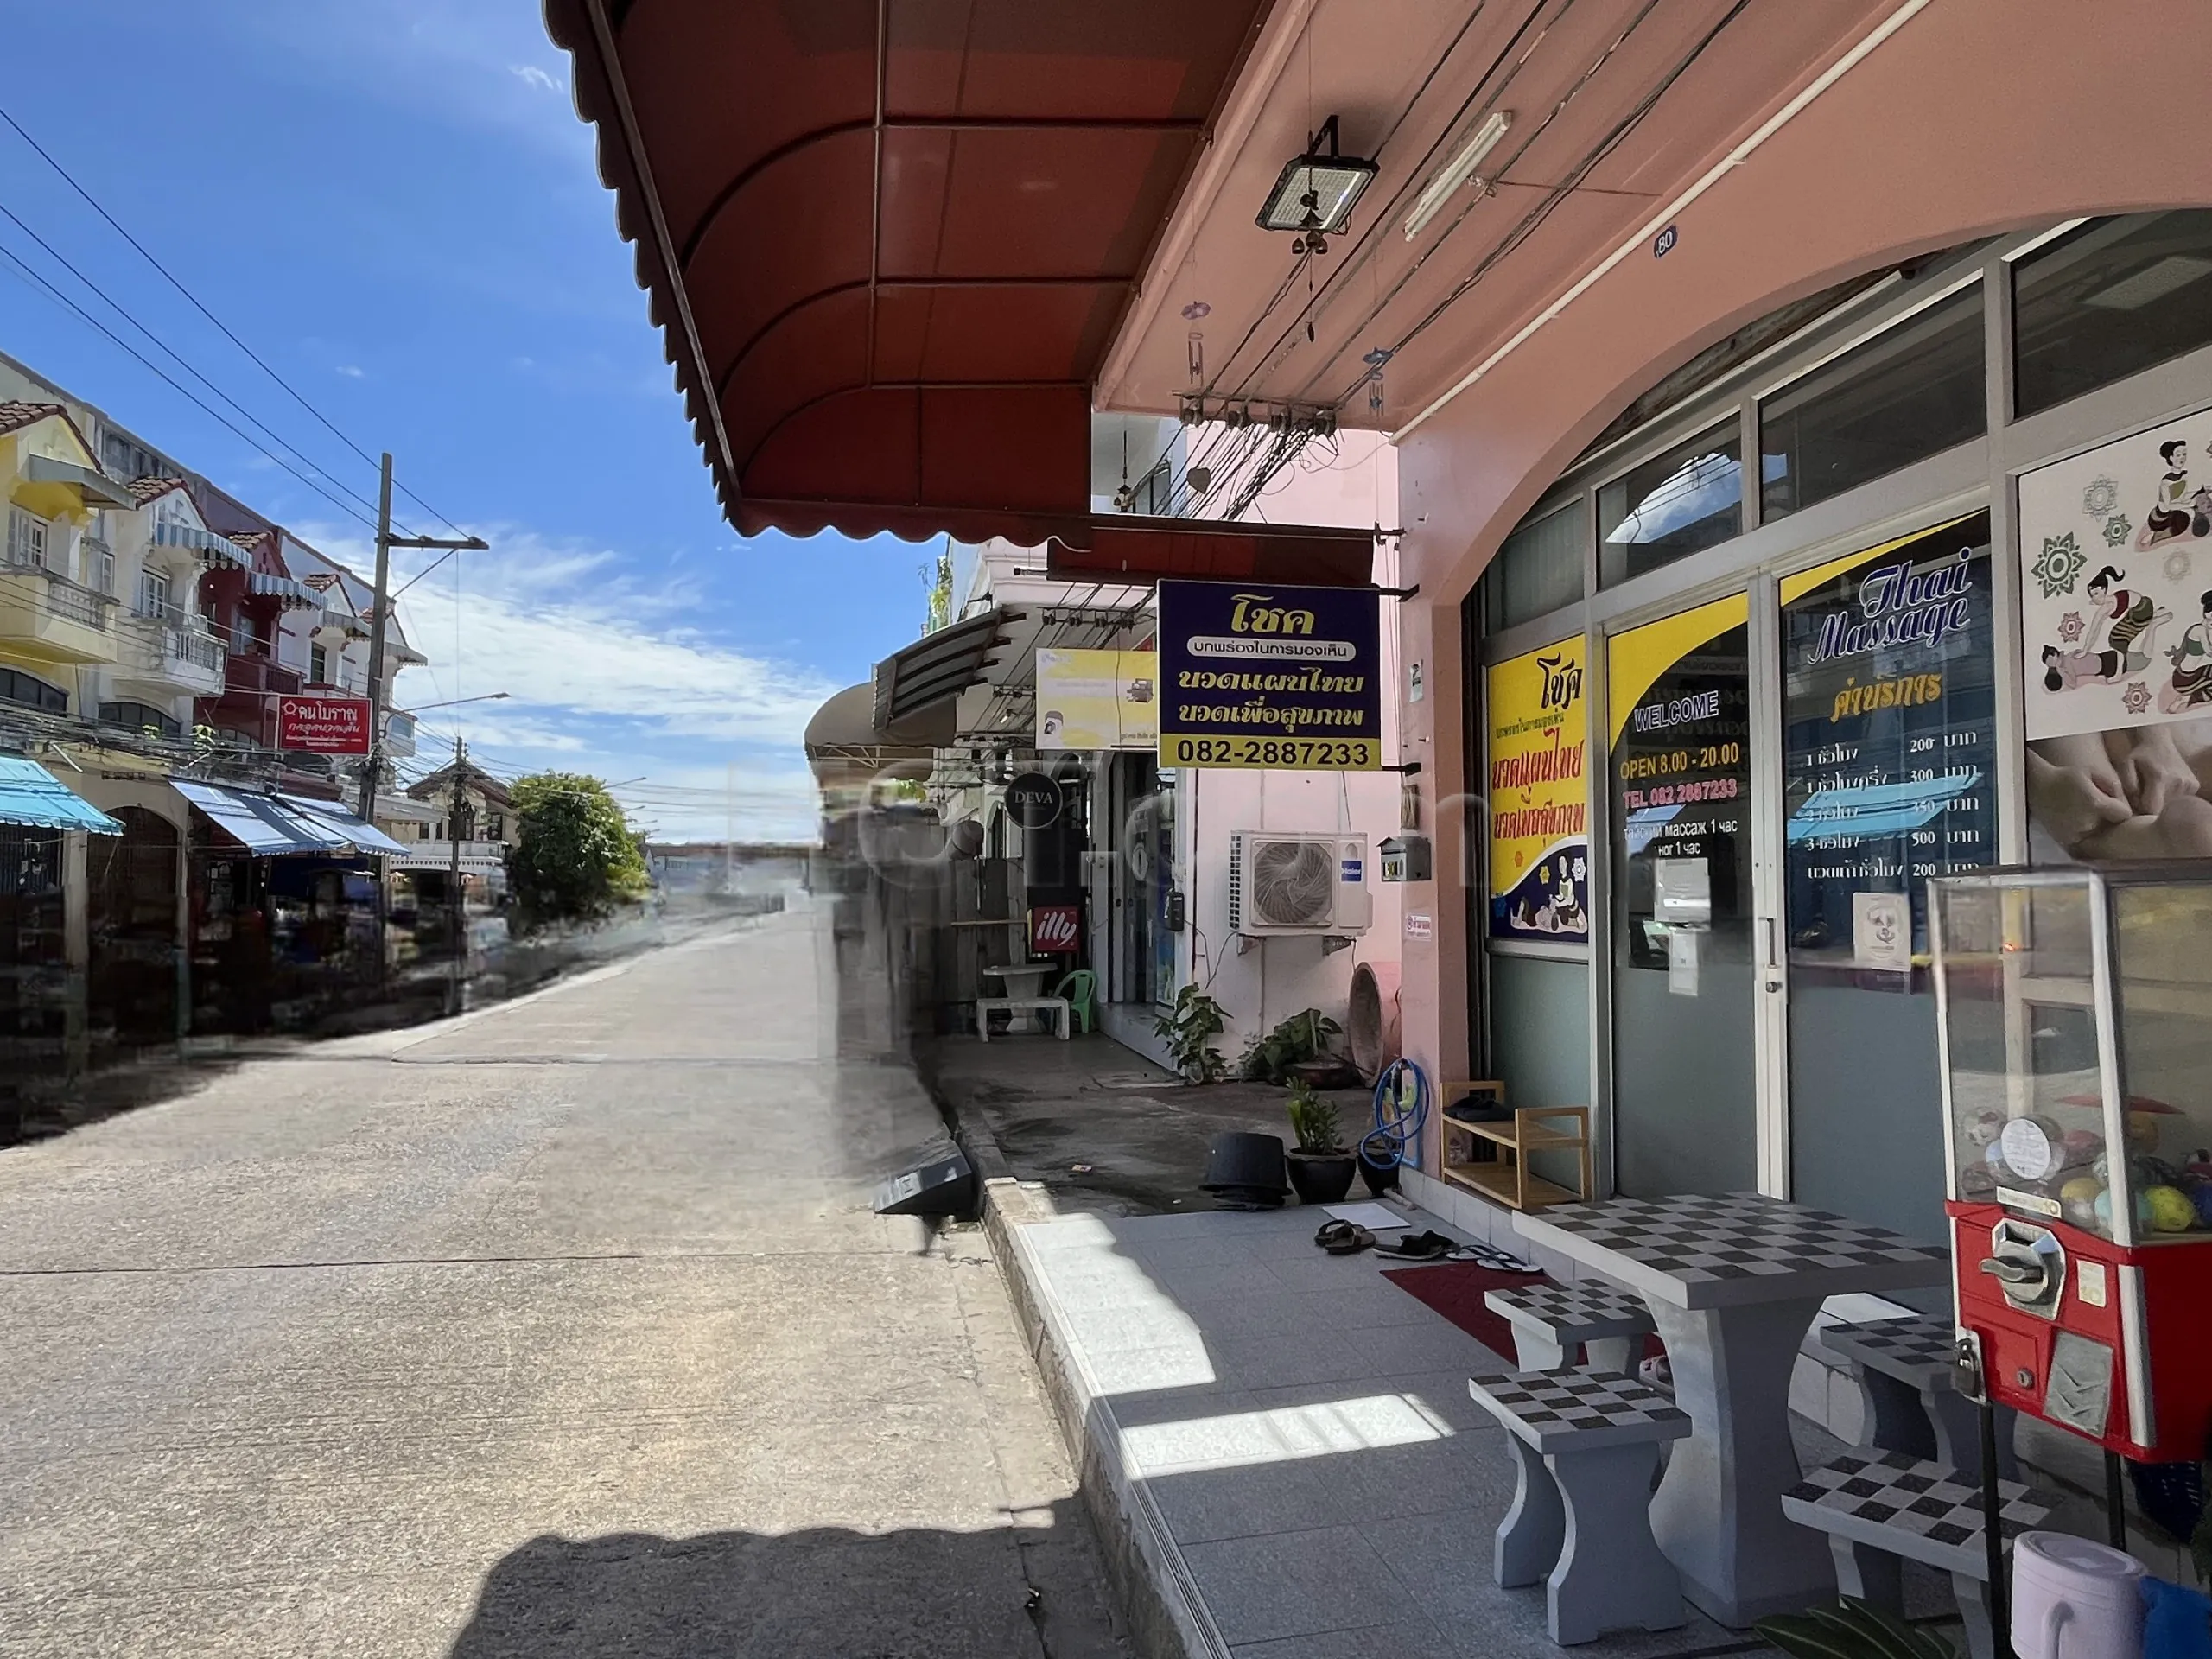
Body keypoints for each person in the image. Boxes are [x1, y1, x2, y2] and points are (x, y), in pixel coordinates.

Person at [2137, 440, 2196, 548]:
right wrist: (2188, 505)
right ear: (2171, 458)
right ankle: (2155, 533)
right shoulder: (2166, 482)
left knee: (2193, 511)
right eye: (2178, 455)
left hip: (2177, 507)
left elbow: (2182, 496)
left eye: (2184, 454)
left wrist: (2197, 493)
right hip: (2163, 515)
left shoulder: (2184, 477)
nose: (2182, 458)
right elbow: (2169, 505)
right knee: (2186, 518)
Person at [2162, 589, 2212, 713]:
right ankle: (2184, 699)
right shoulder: (2199, 630)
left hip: (2188, 674)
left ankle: (2183, 700)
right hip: (2185, 678)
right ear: (2207, 614)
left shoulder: (2206, 628)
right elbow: (2209, 651)